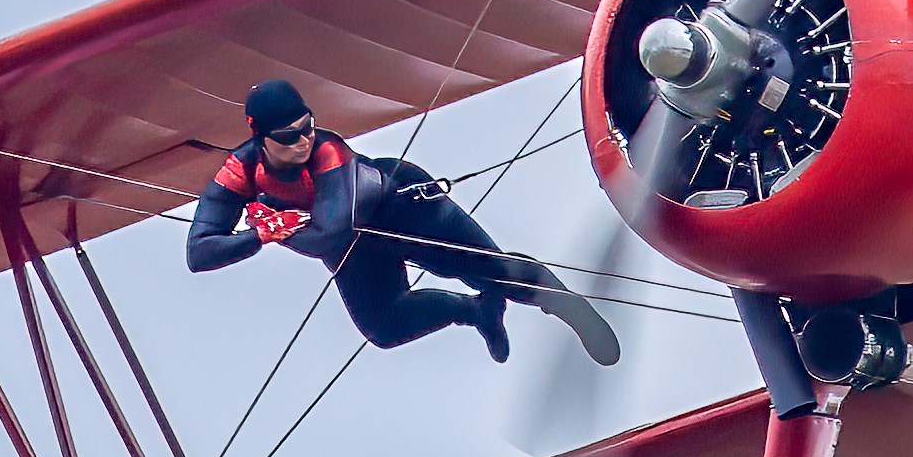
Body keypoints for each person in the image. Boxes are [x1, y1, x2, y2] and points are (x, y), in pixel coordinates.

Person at [186, 79, 620, 365]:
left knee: (486, 269)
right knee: (385, 326)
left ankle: (570, 308)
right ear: (257, 134)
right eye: (287, 137)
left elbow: (330, 232)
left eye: (307, 127)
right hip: (356, 250)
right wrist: (257, 235)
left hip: (401, 208)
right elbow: (199, 251)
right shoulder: (240, 172)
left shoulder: (328, 152)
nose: (302, 142)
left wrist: (281, 229)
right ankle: (473, 311)